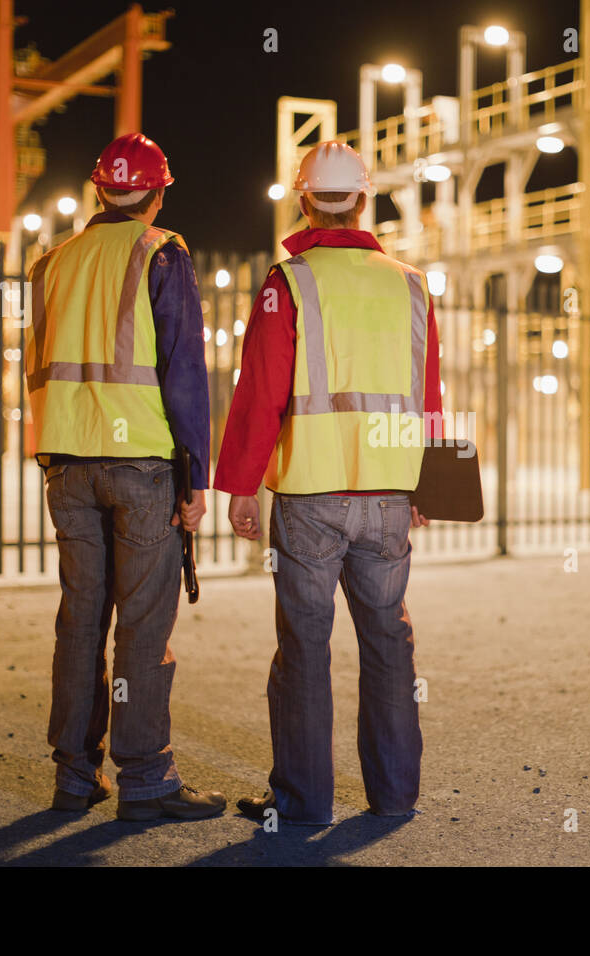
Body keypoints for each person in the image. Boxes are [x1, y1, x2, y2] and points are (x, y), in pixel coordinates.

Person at [213, 141, 442, 826]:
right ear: (365, 199)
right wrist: (425, 484)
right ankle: (395, 795)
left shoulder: (291, 282)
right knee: (389, 644)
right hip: (389, 494)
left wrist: (241, 485)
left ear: (302, 198)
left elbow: (261, 393)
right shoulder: (410, 283)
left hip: (311, 495)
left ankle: (304, 802)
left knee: (305, 647)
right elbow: (426, 392)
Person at [25, 132, 225, 822]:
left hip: (67, 464)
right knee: (141, 624)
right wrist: (194, 473)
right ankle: (145, 780)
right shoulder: (160, 251)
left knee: (80, 619)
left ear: (96, 190)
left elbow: (38, 363)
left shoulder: (51, 262)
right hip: (141, 464)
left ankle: (74, 776)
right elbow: (184, 370)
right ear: (158, 192)